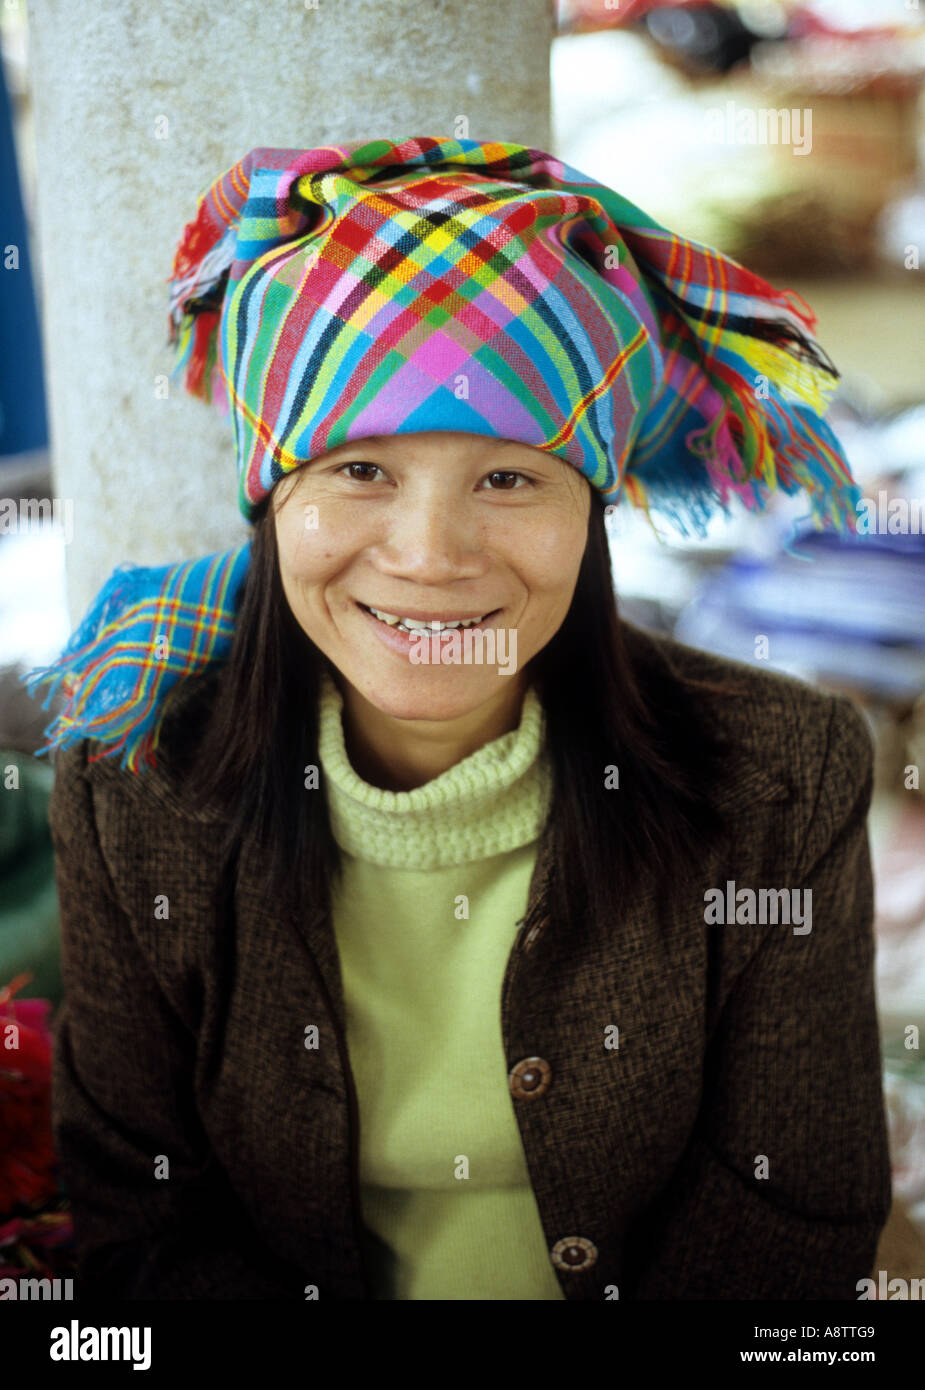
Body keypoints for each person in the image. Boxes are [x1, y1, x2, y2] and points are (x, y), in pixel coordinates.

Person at [23, 136, 891, 1300]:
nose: (429, 558)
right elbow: (142, 1214)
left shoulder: (780, 772)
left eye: (508, 477)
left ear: (590, 507)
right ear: (274, 498)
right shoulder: (134, 779)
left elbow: (794, 1210)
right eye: (360, 471)